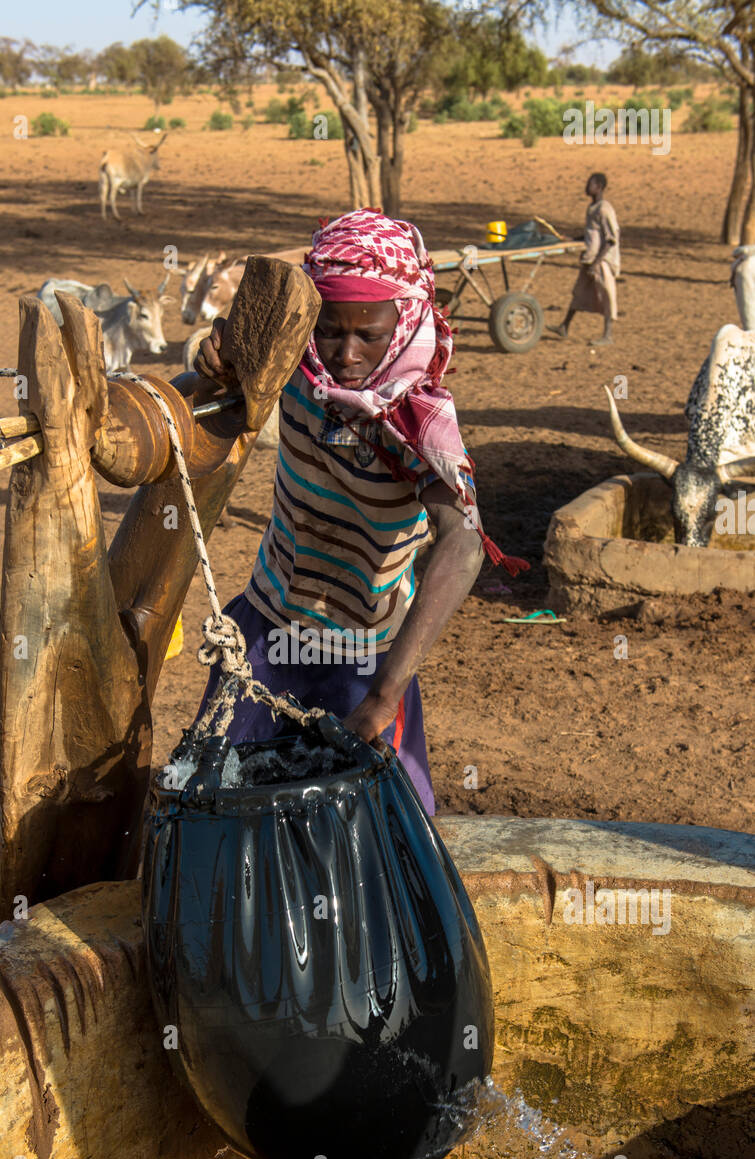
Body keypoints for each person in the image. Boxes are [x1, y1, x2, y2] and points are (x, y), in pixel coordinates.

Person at [190, 208, 525, 816]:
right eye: (330, 330)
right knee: (222, 809)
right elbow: (213, 374)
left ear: (403, 323)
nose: (345, 354)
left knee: (368, 838)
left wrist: (385, 694)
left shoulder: (417, 425)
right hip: (268, 627)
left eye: (368, 334)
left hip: (362, 659)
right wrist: (213, 354)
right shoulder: (294, 368)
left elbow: (463, 545)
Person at [549, 173, 620, 346]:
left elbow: (611, 239)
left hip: (601, 260)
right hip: (590, 258)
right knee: (579, 292)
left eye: (591, 184)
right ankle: (564, 326)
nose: (587, 187)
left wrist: (596, 263)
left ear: (600, 187)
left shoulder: (604, 209)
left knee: (607, 294)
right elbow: (592, 234)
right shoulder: (592, 208)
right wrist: (573, 239)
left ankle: (608, 335)